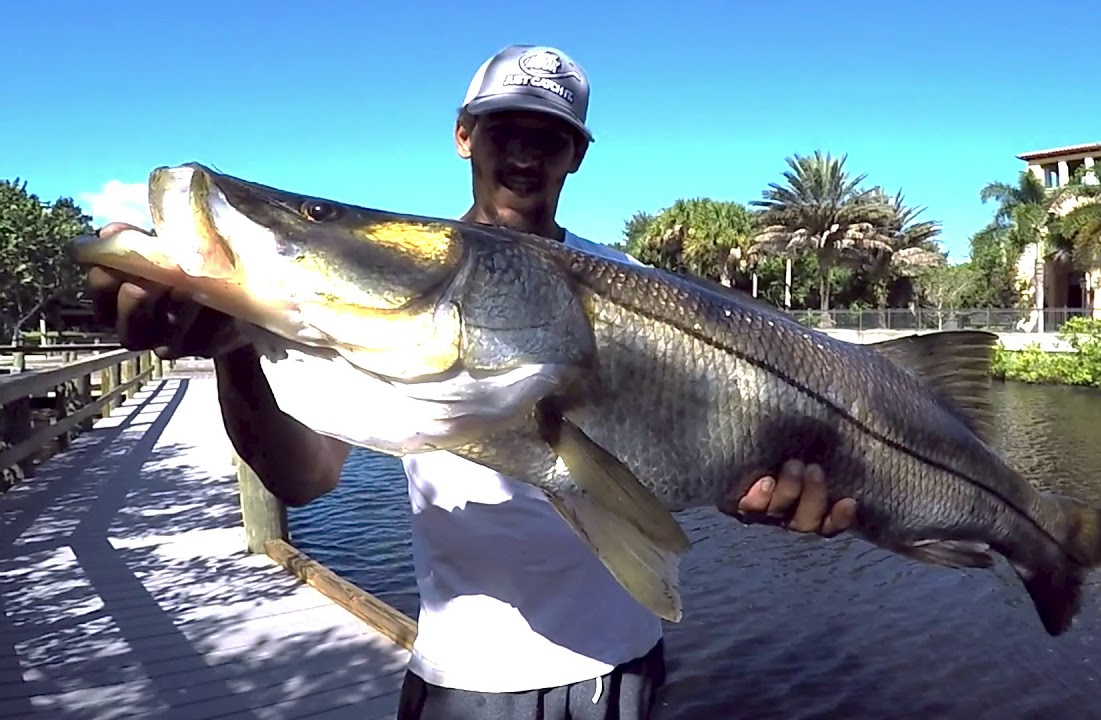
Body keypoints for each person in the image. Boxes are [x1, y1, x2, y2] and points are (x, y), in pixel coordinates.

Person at [84, 44, 857, 720]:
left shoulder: (638, 291)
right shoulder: (389, 296)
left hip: (626, 665)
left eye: (550, 138)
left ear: (576, 156)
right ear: (464, 135)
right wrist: (233, 347)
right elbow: (303, 475)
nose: (526, 153)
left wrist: (755, 488)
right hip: (465, 678)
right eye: (506, 129)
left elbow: (700, 460)